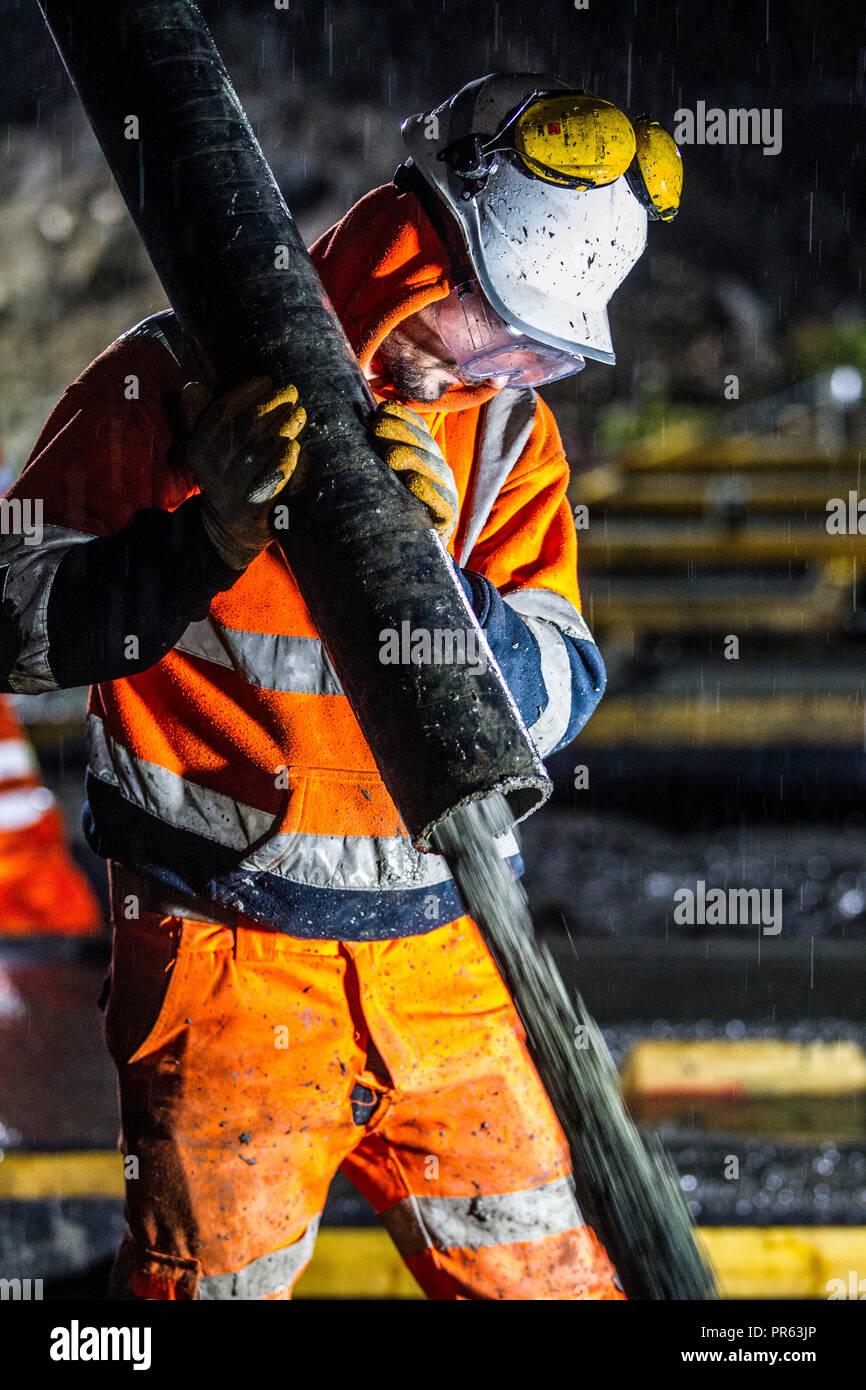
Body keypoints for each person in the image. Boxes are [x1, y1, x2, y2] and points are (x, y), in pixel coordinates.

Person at [0, 74, 681, 1299]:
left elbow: (560, 683)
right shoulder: (169, 383)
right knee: (208, 1288)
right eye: (494, 325)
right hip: (230, 961)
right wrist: (198, 538)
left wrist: (450, 595)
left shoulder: (507, 434)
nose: (495, 367)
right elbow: (15, 630)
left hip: (448, 950)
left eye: (538, 349)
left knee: (545, 1275)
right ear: (423, 260)